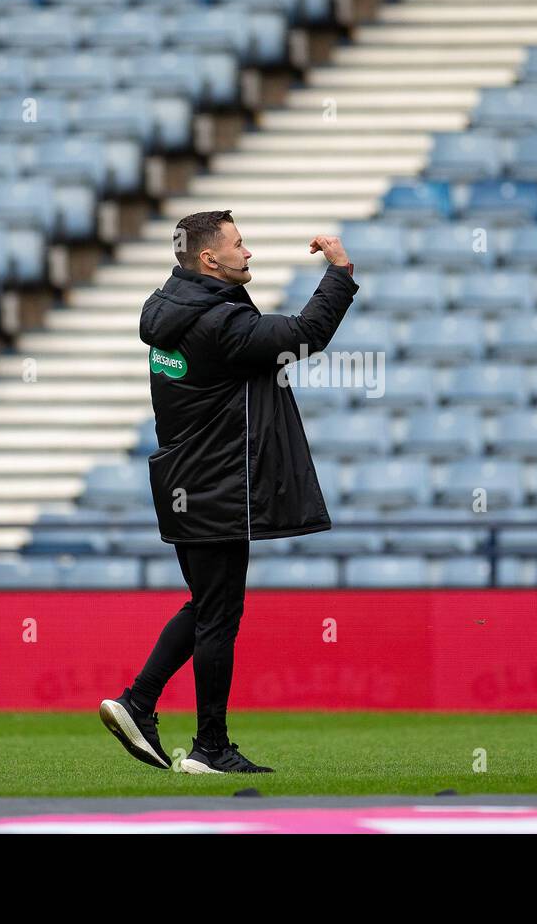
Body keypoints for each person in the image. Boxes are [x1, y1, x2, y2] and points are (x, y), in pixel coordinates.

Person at [100, 209, 356, 773]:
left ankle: (141, 704)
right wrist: (339, 272)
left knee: (208, 606)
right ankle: (208, 746)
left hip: (184, 481)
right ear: (210, 260)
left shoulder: (171, 310)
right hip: (216, 484)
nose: (249, 253)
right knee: (218, 614)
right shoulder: (218, 322)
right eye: (240, 245)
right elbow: (303, 335)